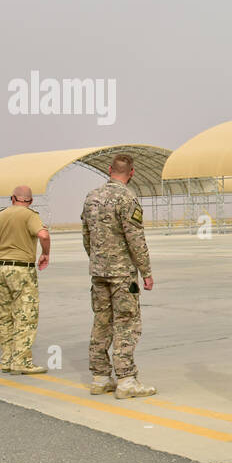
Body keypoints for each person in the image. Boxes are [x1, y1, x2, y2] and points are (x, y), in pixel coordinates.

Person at [81, 154, 156, 399]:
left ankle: (100, 377)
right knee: (126, 324)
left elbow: (86, 236)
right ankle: (126, 380)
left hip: (99, 272)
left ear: (109, 170)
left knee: (101, 322)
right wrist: (145, 271)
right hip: (122, 274)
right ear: (131, 172)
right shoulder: (127, 198)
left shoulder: (91, 197)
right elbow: (135, 238)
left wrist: (96, 259)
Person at [0, 186, 50, 374]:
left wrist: (3, 246)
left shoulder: (1, 215)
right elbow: (43, 234)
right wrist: (45, 253)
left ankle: (7, 359)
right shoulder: (30, 215)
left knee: (5, 316)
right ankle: (21, 362)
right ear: (31, 201)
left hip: (2, 268)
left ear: (12, 198)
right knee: (26, 316)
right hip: (21, 270)